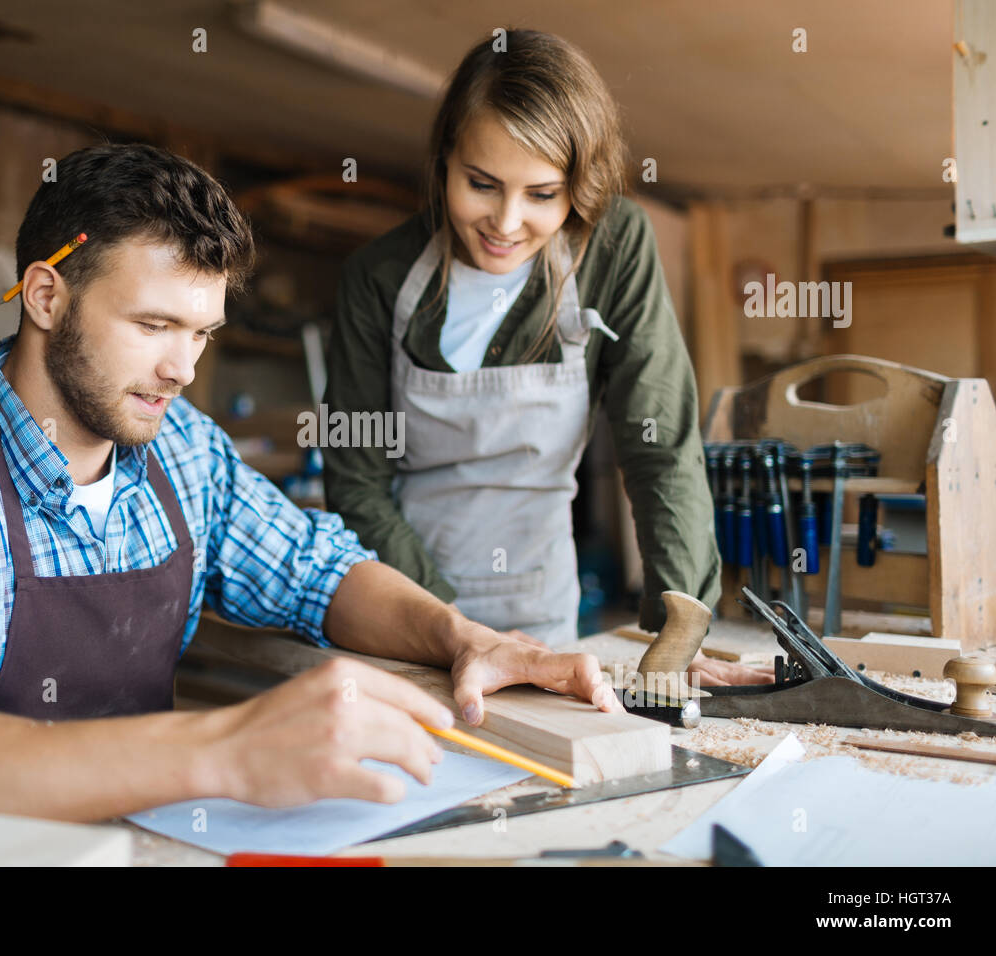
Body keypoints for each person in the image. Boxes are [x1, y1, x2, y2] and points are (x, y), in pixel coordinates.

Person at [0, 143, 620, 865]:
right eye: (154, 326)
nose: (184, 368)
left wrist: (466, 638)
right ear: (47, 296)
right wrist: (222, 750)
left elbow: (316, 570)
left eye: (201, 333)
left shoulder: (183, 450)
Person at [324, 30, 766, 685]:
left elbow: (660, 441)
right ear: (445, 158)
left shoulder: (613, 249)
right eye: (482, 183)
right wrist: (451, 631)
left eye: (542, 194)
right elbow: (355, 482)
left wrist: (680, 618)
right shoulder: (378, 277)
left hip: (546, 610)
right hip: (405, 612)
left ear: (577, 188)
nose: (506, 222)